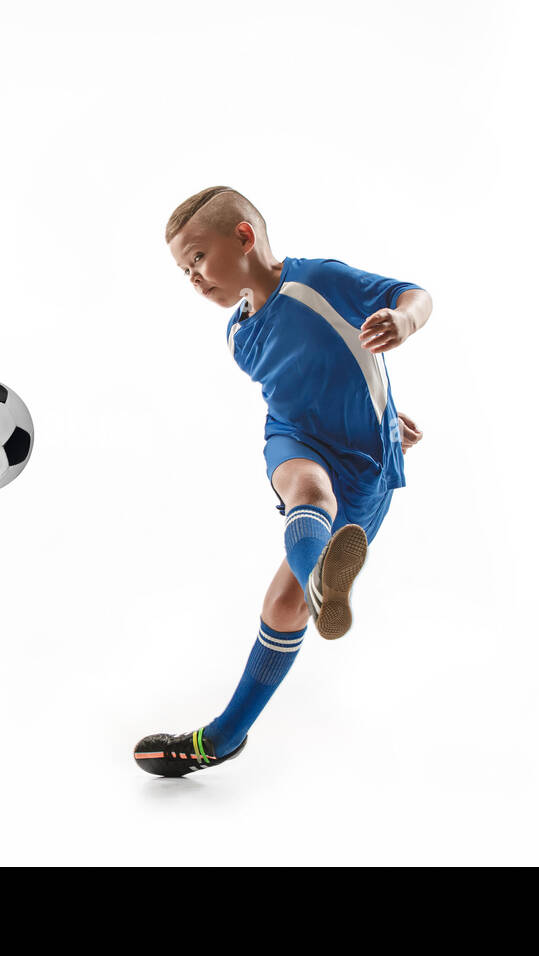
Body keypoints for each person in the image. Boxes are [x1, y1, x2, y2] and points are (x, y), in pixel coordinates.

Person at [133, 186, 432, 776]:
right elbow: (301, 386)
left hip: (367, 463)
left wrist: (402, 324)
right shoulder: (238, 335)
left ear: (243, 236)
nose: (192, 277)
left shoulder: (316, 281)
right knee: (308, 490)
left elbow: (415, 297)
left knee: (283, 603)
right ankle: (320, 575)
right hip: (293, 441)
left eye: (196, 257)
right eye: (182, 269)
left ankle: (223, 736)